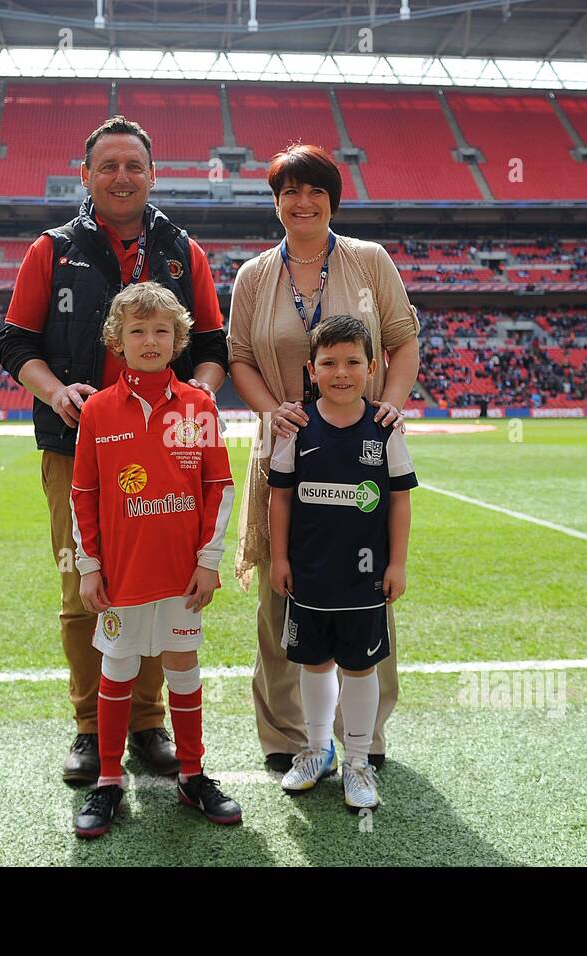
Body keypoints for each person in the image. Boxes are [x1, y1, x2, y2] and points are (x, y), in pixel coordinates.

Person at [0, 115, 229, 786]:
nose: (122, 176)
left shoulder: (186, 252)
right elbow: (16, 344)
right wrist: (53, 392)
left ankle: (149, 724)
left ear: (152, 175)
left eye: (134, 165)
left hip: (171, 455)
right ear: (87, 176)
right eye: (108, 166)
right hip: (77, 447)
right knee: (84, 589)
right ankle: (86, 727)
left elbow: (212, 349)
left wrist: (199, 399)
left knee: (160, 589)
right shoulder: (51, 249)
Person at [227, 143, 419, 773]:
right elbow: (240, 358)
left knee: (367, 590)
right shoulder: (254, 275)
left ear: (332, 199)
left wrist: (387, 408)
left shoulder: (369, 260)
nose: (302, 202)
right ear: (276, 202)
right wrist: (266, 411)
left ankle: (365, 738)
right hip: (288, 449)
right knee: (282, 591)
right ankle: (289, 738)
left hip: (361, 449)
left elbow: (402, 339)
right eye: (289, 191)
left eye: (315, 191)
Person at [69, 282, 240, 837]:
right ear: (116, 340)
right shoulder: (96, 409)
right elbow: (83, 493)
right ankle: (110, 780)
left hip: (180, 574)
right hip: (120, 573)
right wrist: (90, 565)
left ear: (178, 339)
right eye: (137, 330)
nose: (149, 340)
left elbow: (220, 484)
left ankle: (192, 773)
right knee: (116, 670)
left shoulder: (199, 405)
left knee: (182, 670)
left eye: (161, 330)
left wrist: (209, 559)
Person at [268, 315, 415, 811]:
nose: (342, 372)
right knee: (314, 663)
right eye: (329, 362)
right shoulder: (297, 427)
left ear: (373, 367)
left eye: (353, 361)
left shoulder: (385, 428)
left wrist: (397, 564)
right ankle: (315, 752)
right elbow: (281, 499)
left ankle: (357, 761)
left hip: (365, 580)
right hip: (310, 574)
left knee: (359, 667)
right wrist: (280, 558)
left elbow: (399, 501)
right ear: (312, 369)